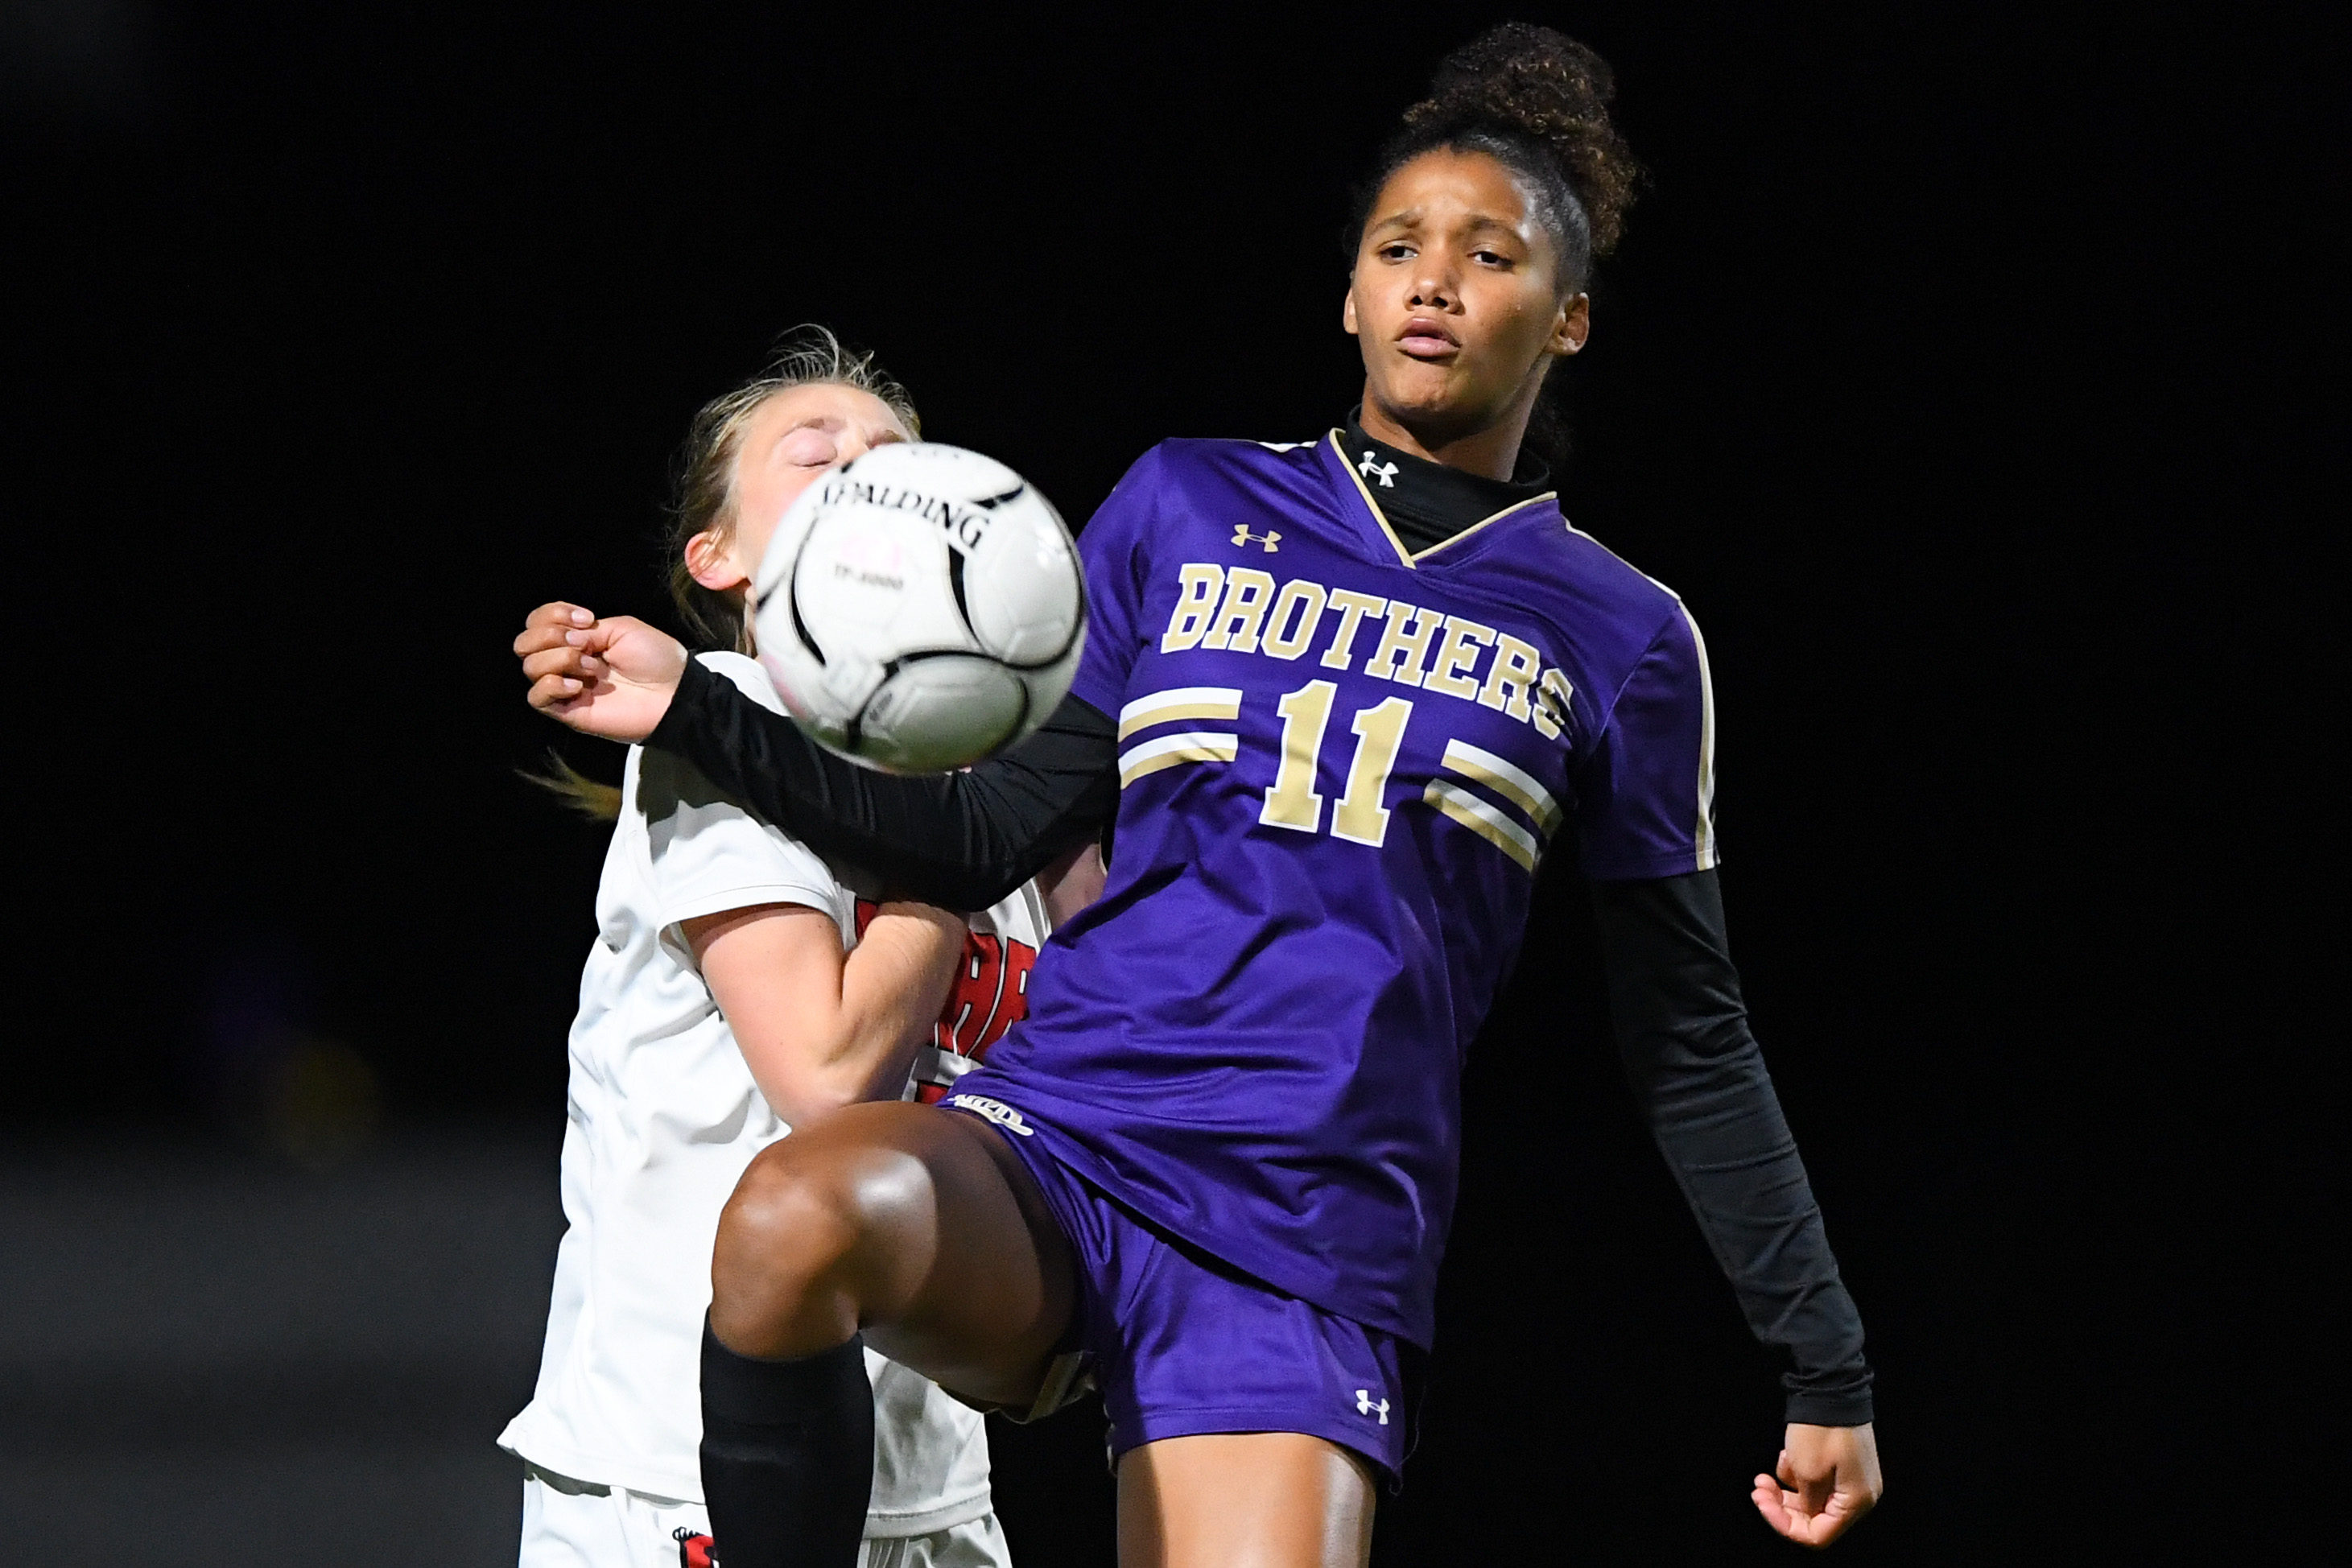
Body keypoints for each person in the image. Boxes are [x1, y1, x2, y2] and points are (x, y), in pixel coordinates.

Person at [516, 26, 1883, 1566]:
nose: (1433, 282)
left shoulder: (1621, 631)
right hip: (1062, 1141)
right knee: (789, 1220)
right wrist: (696, 706)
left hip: (1301, 1225)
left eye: (1488, 255)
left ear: (1566, 317)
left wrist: (1821, 1361)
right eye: (1397, 247)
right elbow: (981, 833)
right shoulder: (1187, 500)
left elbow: (1687, 1035)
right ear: (1349, 296)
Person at [499, 331, 1100, 1568]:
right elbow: (828, 1081)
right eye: (816, 457)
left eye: (895, 459)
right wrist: (956, 844)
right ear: (717, 558)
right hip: (680, 1478)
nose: (868, 477)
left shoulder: (996, 780)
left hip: (928, 1487)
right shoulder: (733, 713)